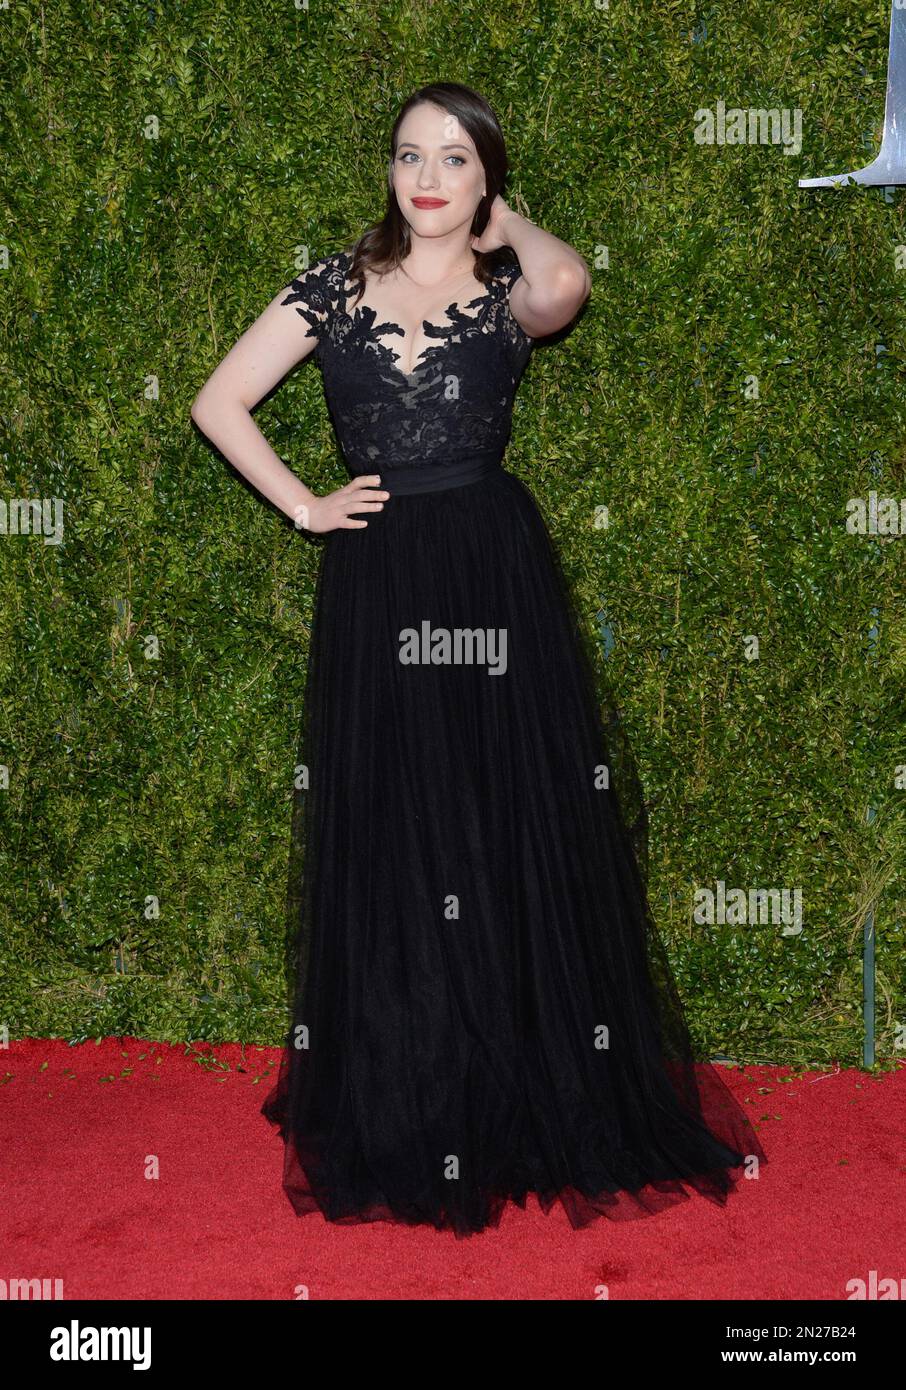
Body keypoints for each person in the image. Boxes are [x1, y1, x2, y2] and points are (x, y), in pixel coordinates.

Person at [191, 82, 767, 1238]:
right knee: (401, 827)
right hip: (378, 577)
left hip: (493, 577)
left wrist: (508, 223)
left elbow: (572, 285)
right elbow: (220, 400)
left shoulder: (511, 288)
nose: (429, 177)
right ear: (388, 169)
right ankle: (408, 1093)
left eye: (457, 159)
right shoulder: (332, 286)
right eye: (411, 154)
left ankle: (523, 1085)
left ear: (487, 180)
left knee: (504, 825)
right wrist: (306, 506)